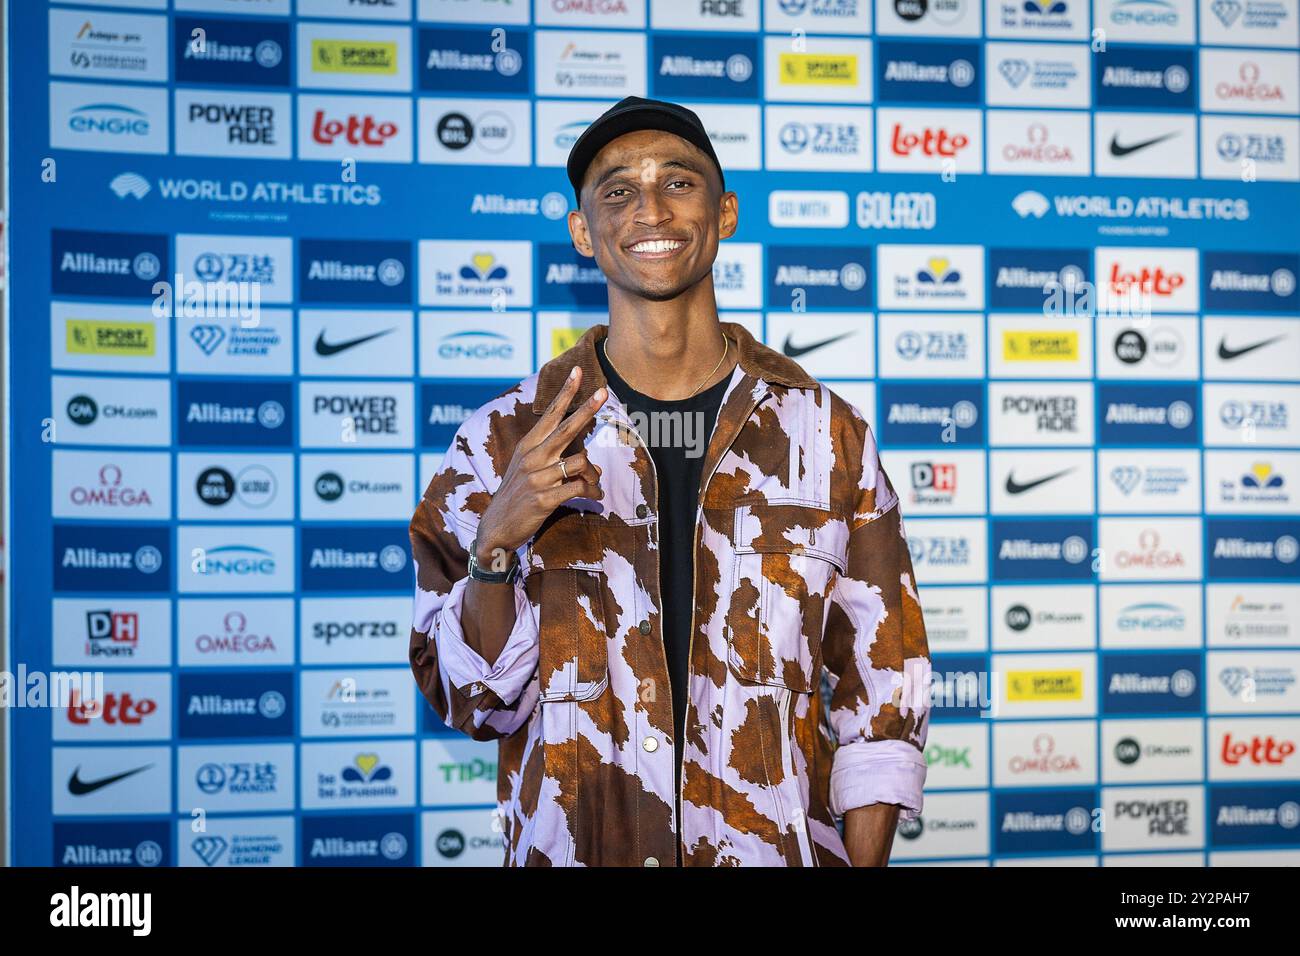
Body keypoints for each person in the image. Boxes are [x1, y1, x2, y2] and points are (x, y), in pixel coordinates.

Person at [410, 96, 931, 867]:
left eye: (678, 183)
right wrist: (495, 547)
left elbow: (883, 695)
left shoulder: (827, 435)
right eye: (617, 191)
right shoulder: (501, 441)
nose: (649, 207)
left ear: (723, 214)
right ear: (583, 233)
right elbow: (472, 702)